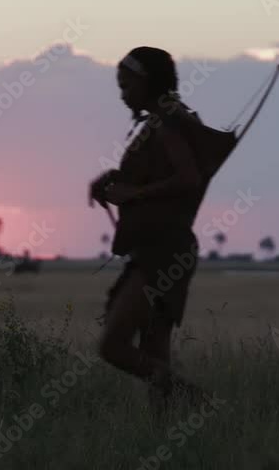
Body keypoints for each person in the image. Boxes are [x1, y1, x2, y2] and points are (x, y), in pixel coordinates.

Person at [89, 46, 209, 410]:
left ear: (146, 82)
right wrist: (114, 180)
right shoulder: (163, 120)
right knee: (154, 349)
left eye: (126, 84)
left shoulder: (168, 121)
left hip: (164, 251)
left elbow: (189, 179)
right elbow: (161, 174)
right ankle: (164, 440)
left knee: (113, 347)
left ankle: (196, 401)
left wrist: (133, 192)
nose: (122, 93)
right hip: (162, 248)